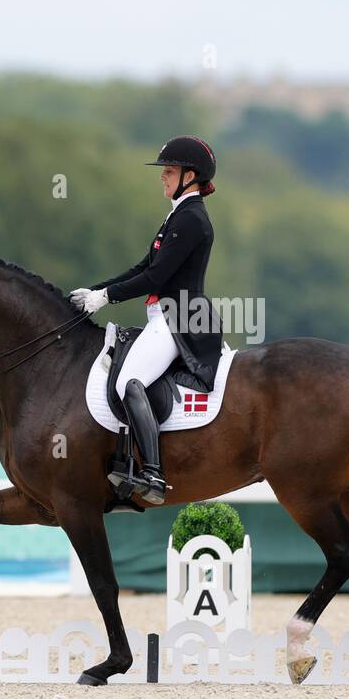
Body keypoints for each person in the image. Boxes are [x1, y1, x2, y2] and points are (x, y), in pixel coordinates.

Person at [71, 135, 222, 505]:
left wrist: (106, 298)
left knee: (129, 381)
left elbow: (155, 280)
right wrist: (93, 292)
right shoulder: (177, 215)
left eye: (169, 172)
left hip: (179, 318)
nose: (163, 178)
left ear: (190, 176)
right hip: (167, 315)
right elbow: (143, 267)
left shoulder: (191, 219)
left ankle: (152, 474)